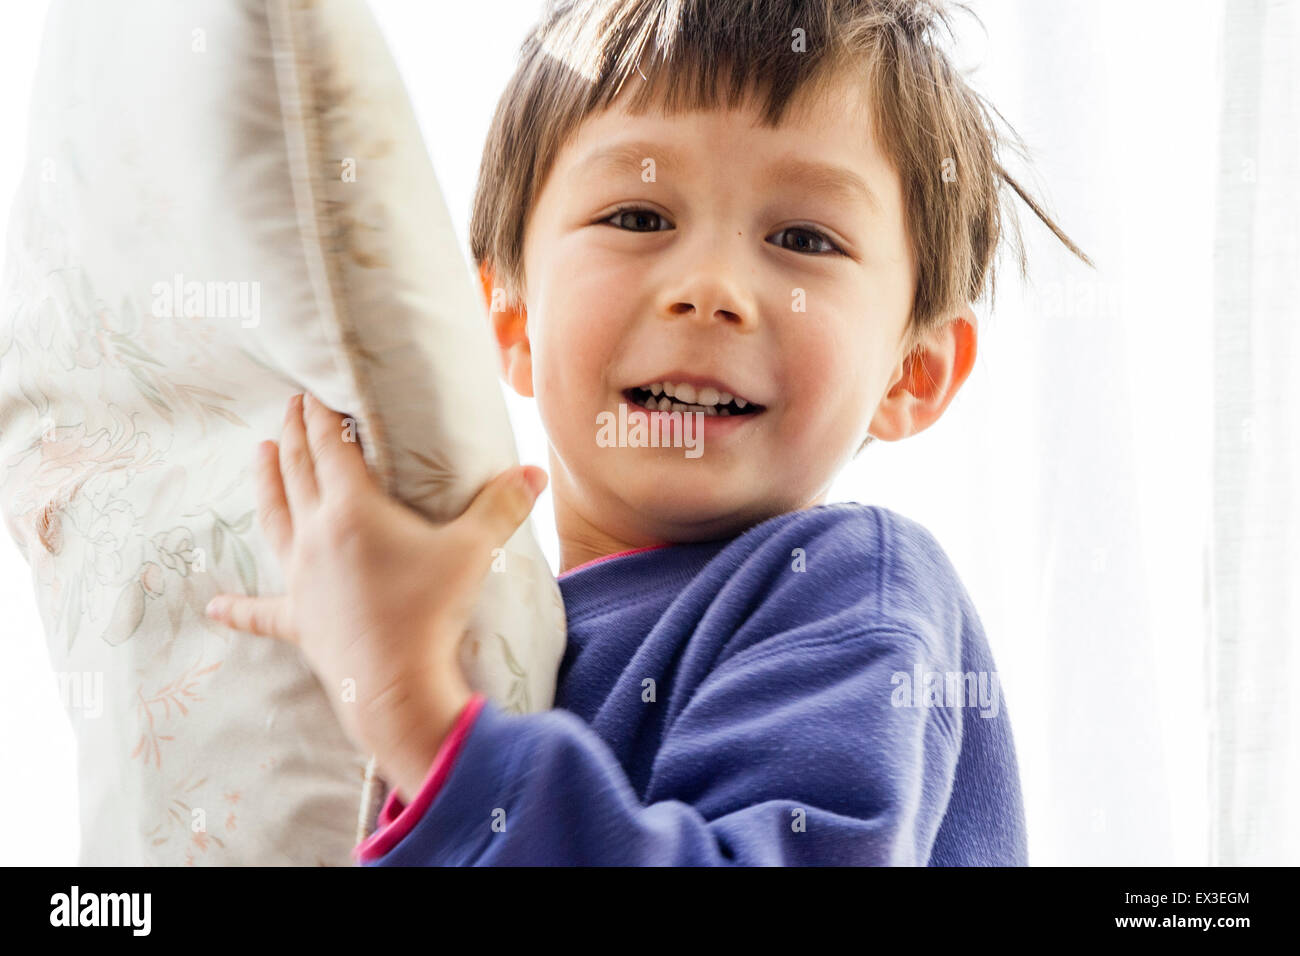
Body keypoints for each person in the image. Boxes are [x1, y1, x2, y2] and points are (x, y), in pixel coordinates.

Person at [206, 0, 1091, 865]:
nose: (710, 287)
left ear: (913, 372)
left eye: (803, 237)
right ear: (508, 321)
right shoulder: (498, 628)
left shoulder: (852, 587)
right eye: (638, 218)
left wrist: (418, 716)